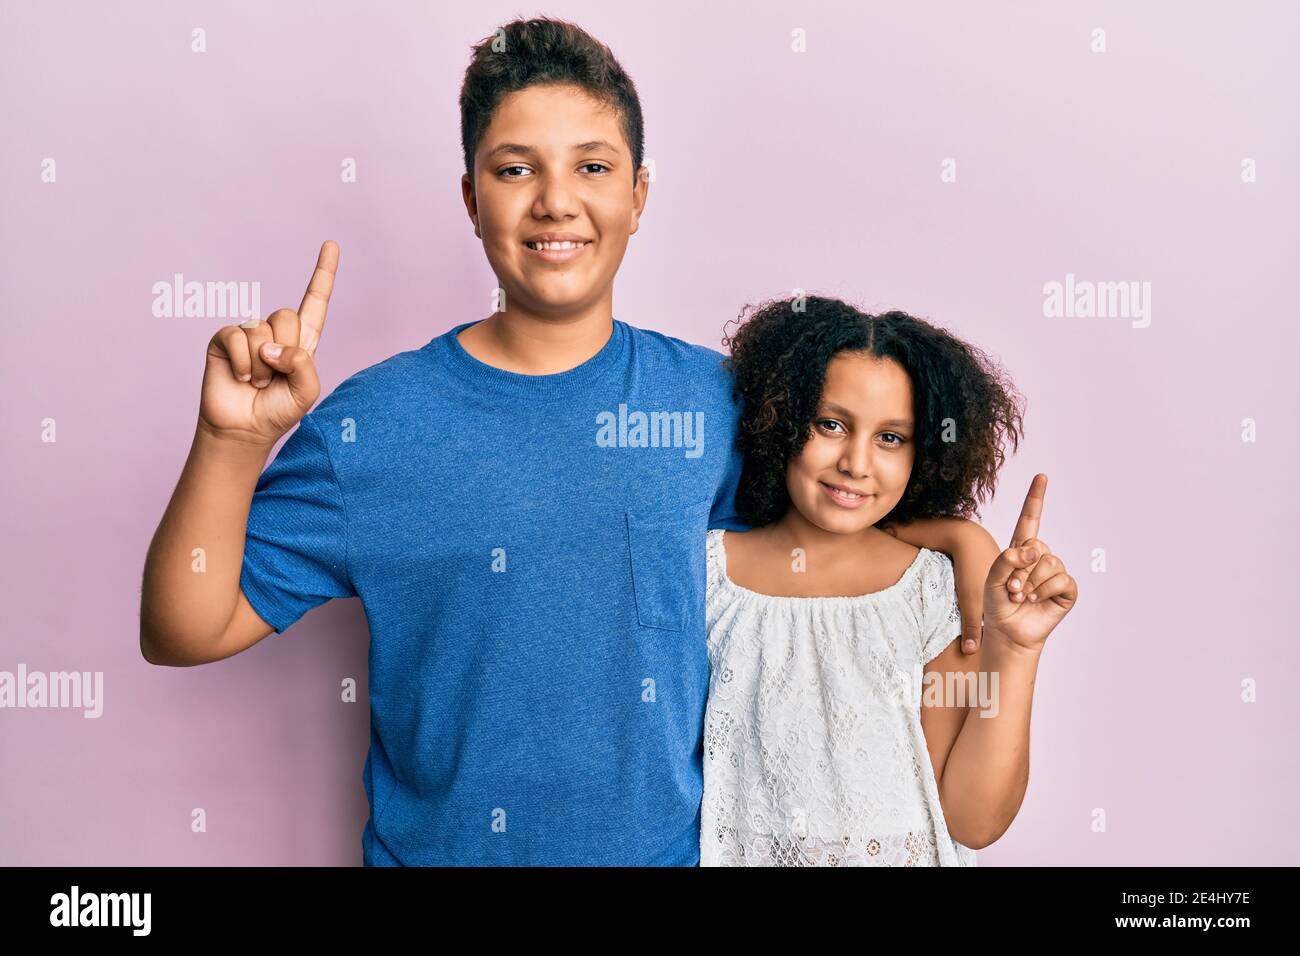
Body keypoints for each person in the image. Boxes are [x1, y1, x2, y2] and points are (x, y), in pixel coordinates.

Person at [139, 18, 999, 866]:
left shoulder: (716, 403)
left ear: (638, 195)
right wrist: (228, 438)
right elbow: (185, 629)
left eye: (592, 165)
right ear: (472, 198)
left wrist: (963, 541)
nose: (557, 200)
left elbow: (828, 531)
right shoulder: (372, 426)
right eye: (516, 170)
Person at [701, 296, 1078, 865]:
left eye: (890, 438)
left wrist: (1016, 648)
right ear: (779, 419)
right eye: (830, 424)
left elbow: (972, 821)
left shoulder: (930, 591)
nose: (856, 462)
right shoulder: (707, 577)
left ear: (922, 454)